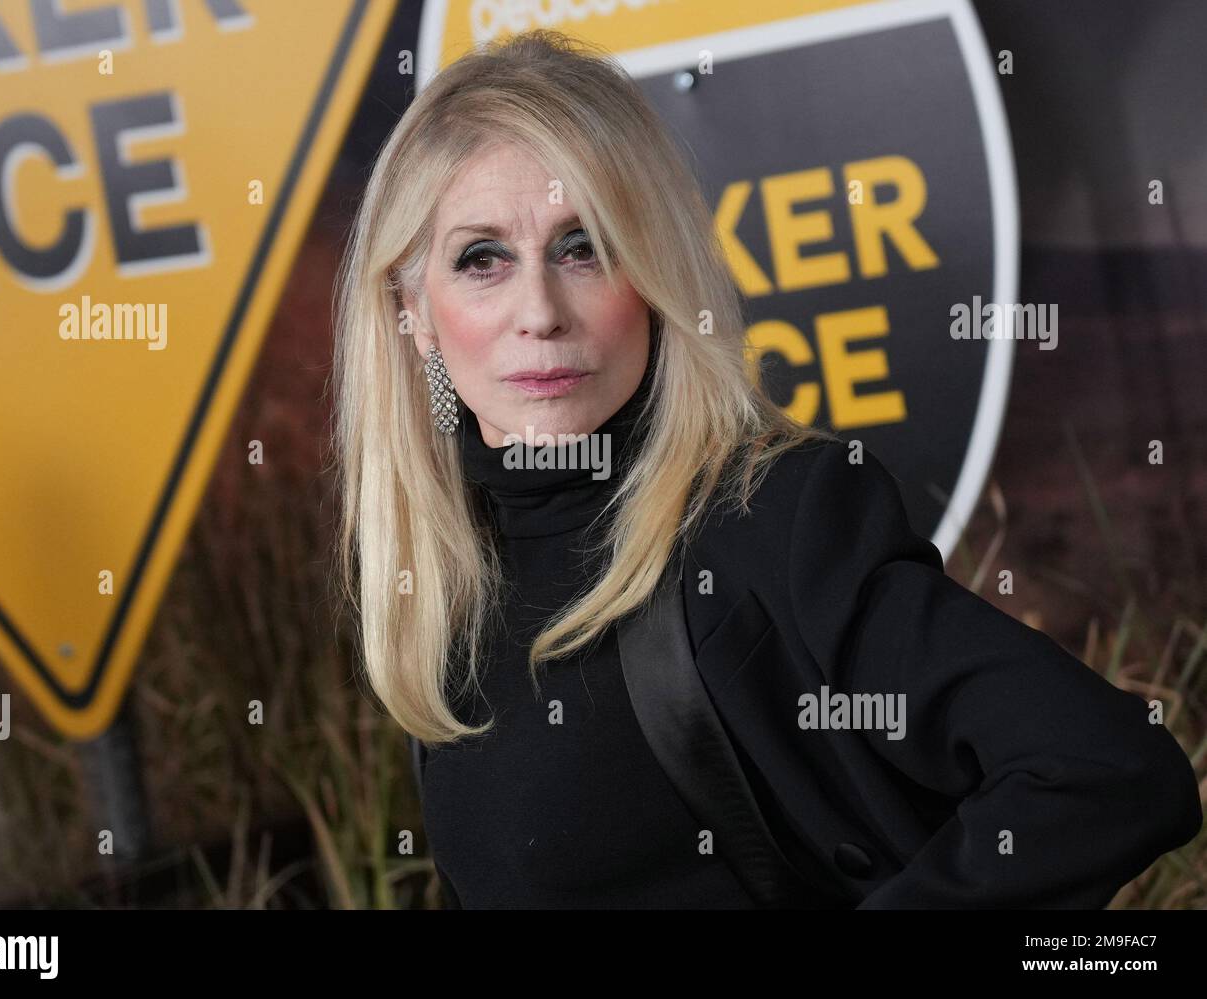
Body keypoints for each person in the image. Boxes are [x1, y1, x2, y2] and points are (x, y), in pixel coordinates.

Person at [330, 30, 1201, 909]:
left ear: (656, 270)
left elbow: (1107, 769)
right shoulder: (438, 572)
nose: (540, 311)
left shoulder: (770, 521)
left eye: (584, 246)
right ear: (414, 311)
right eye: (482, 259)